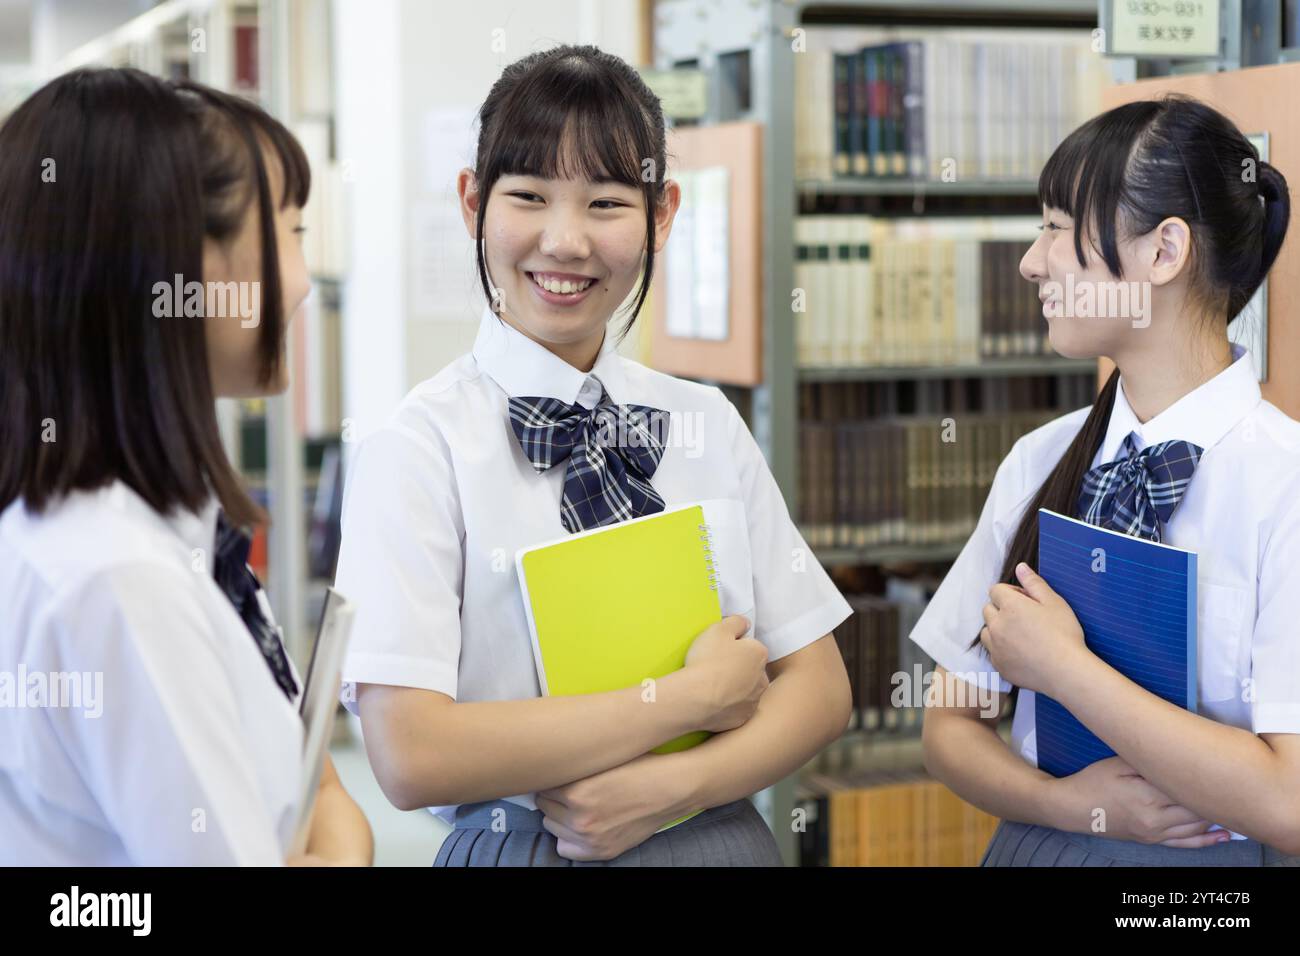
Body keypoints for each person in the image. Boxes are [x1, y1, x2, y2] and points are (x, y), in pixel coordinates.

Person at [335, 44, 854, 866]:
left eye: (606, 203)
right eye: (530, 196)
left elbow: (822, 690)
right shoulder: (418, 446)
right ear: (473, 203)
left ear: (662, 214)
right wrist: (687, 700)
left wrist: (672, 788)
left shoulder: (703, 420)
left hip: (717, 835)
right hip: (526, 846)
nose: (565, 241)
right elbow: (409, 753)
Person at [911, 93, 1300, 865]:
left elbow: (1290, 806)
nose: (1030, 261)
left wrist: (1062, 668)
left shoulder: (1282, 482)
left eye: (1057, 227)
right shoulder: (1041, 458)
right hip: (1037, 846)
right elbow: (949, 727)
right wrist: (1068, 806)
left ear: (1164, 251)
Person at [0, 68, 372, 866]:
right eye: (293, 232)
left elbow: (318, 798)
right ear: (185, 266)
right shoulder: (119, 577)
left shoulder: (162, 533)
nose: (305, 285)